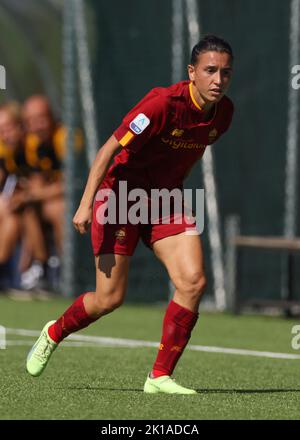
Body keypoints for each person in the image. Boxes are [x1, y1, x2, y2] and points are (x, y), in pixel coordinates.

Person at [26, 35, 234, 394]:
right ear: (192, 72)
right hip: (119, 197)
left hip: (164, 200)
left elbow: (190, 152)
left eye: (225, 72)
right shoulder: (161, 103)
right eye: (210, 71)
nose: (218, 80)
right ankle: (54, 332)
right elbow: (108, 149)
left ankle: (159, 376)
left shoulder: (223, 114)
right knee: (109, 299)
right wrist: (86, 202)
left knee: (193, 281)